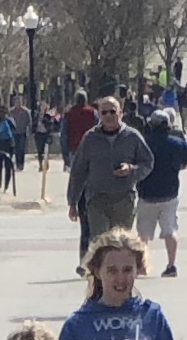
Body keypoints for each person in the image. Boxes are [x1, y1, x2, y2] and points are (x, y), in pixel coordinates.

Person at [64, 96, 152, 257]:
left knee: (121, 245)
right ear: (99, 115)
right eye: (104, 112)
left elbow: (148, 163)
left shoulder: (132, 137)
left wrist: (131, 170)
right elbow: (78, 171)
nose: (109, 116)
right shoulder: (90, 138)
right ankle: (100, 279)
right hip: (97, 200)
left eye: (113, 111)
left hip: (124, 200)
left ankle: (121, 280)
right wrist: (73, 201)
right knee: (100, 243)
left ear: (121, 113)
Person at [136, 108, 187, 278]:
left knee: (143, 234)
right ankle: (171, 265)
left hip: (146, 193)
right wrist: (180, 162)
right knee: (170, 231)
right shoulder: (175, 143)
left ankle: (142, 265)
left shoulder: (143, 142)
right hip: (169, 194)